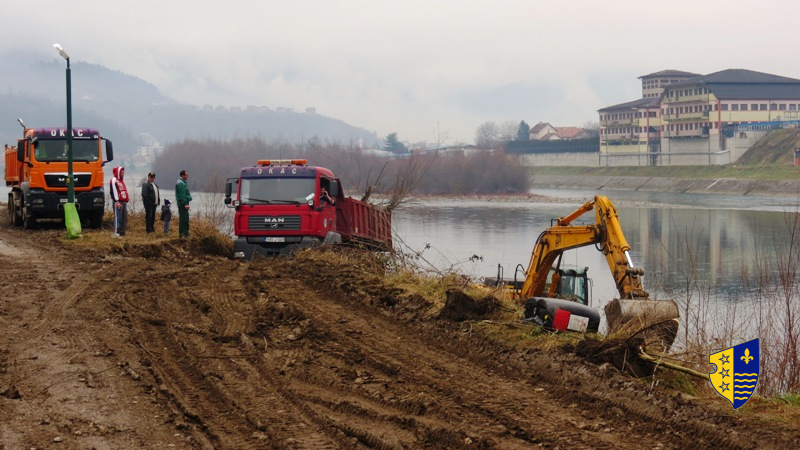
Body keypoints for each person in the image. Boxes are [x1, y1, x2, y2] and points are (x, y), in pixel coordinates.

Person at [109, 166, 129, 237]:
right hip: (118, 202)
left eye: (123, 172)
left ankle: (122, 233)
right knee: (118, 218)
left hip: (123, 202)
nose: (123, 173)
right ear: (118, 172)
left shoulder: (121, 181)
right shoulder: (114, 180)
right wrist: (116, 201)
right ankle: (117, 232)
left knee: (124, 218)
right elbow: (113, 191)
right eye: (121, 172)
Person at [175, 170, 192, 238]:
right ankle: (182, 234)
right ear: (182, 175)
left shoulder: (183, 182)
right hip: (182, 204)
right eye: (186, 175)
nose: (187, 176)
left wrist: (189, 197)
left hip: (183, 203)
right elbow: (182, 195)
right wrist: (185, 204)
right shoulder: (181, 183)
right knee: (183, 219)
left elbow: (185, 194)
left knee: (186, 218)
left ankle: (186, 232)